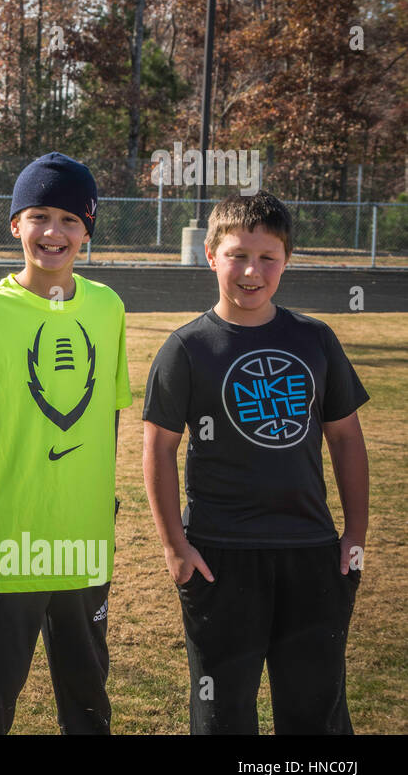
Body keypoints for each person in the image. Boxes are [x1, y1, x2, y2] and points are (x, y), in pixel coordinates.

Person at [143, 191, 369, 734]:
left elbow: (345, 439)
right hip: (221, 556)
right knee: (224, 712)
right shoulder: (188, 348)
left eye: (268, 257)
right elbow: (159, 449)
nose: (252, 271)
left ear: (286, 261)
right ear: (210, 256)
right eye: (238, 255)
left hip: (312, 552)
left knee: (316, 708)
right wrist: (177, 547)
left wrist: (354, 534)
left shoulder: (314, 339)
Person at [0, 153, 130, 734]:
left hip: (83, 539)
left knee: (88, 695)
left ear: (87, 230)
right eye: (39, 215)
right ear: (15, 224)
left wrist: (104, 498)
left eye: (71, 219)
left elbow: (108, 416)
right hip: (10, 541)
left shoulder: (108, 306)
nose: (54, 232)